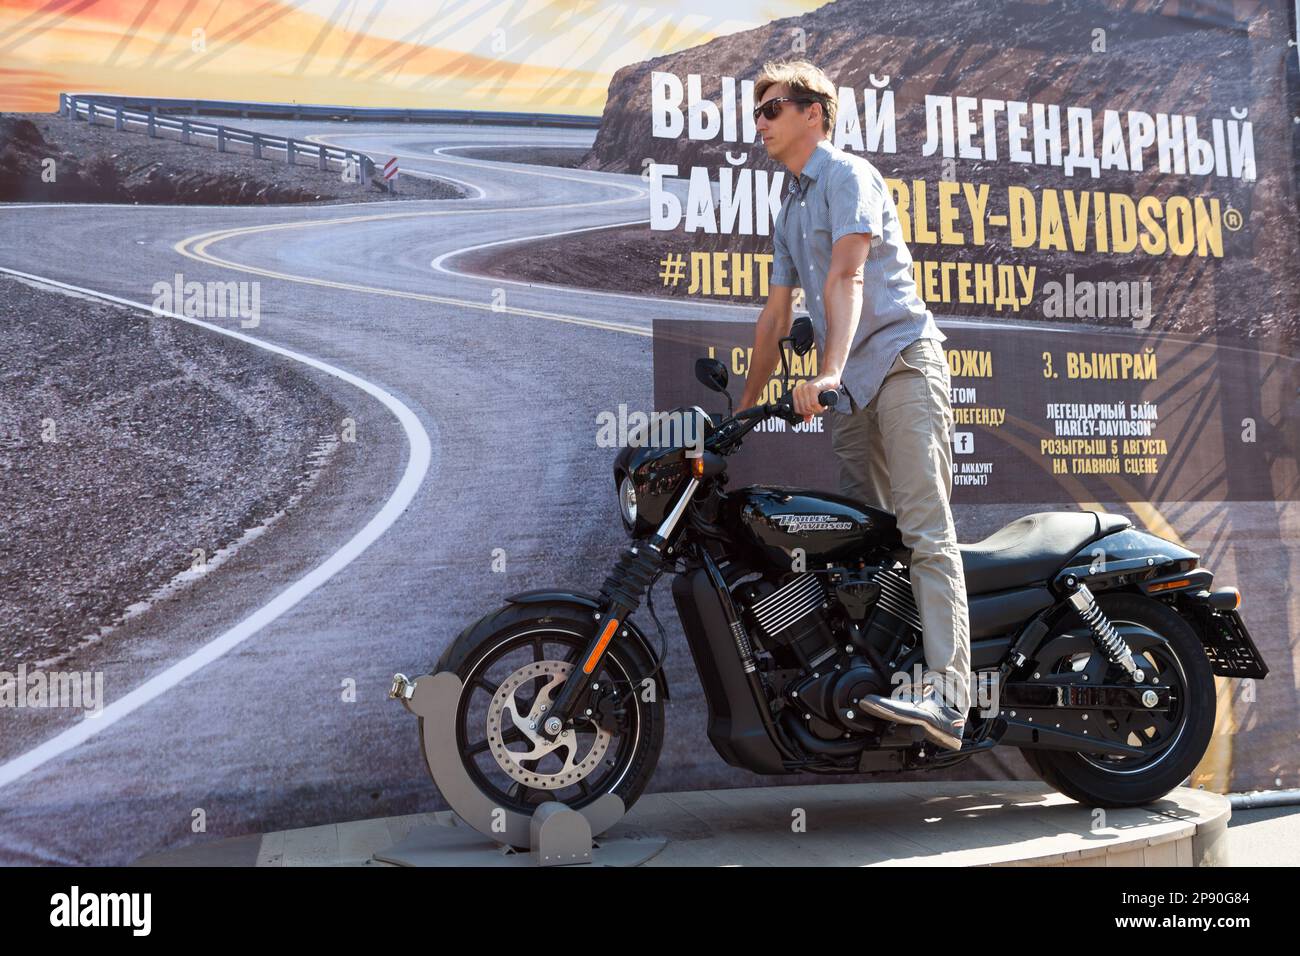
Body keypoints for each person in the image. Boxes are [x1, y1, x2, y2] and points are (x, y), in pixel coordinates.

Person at [736, 59, 971, 751]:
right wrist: (738, 416)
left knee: (923, 528)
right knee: (863, 543)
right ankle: (882, 681)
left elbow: (848, 274)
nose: (761, 124)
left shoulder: (847, 175)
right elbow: (776, 318)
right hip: (848, 391)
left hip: (897, 365)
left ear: (815, 112)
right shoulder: (790, 206)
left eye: (771, 109)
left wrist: (830, 369)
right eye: (757, 113)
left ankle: (952, 698)